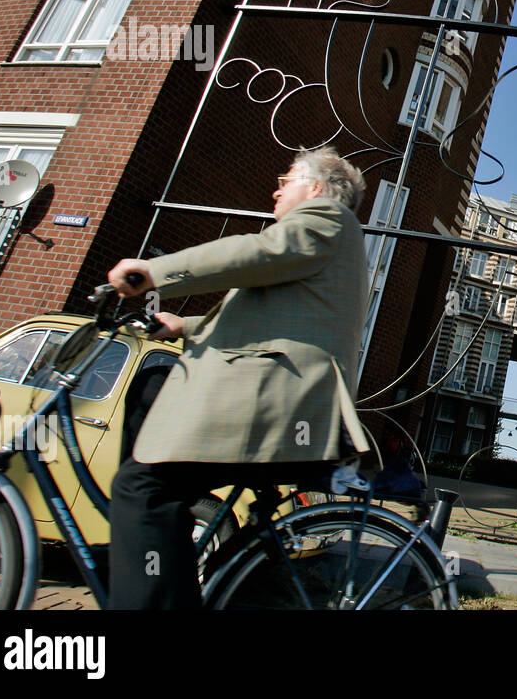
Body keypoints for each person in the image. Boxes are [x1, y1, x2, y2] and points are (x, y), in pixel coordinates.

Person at [105, 147, 372, 609]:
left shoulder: (326, 218)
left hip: (281, 406)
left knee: (143, 489)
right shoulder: (322, 240)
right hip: (281, 403)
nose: (276, 188)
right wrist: (183, 326)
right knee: (149, 405)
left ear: (316, 188)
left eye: (285, 179)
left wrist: (153, 272)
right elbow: (276, 317)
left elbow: (256, 252)